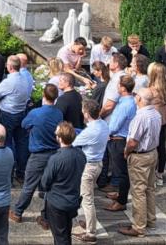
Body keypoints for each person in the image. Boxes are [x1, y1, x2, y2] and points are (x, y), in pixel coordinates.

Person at [11, 83, 62, 224]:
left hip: (38, 155)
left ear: (43, 96)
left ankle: (18, 212)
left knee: (29, 186)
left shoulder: (35, 113)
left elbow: (23, 124)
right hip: (54, 153)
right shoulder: (59, 113)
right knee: (49, 188)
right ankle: (45, 218)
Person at [120, 87, 161, 238]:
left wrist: (126, 151)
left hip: (140, 156)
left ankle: (138, 227)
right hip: (152, 153)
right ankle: (150, 220)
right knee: (149, 188)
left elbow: (133, 141)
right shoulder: (155, 113)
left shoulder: (141, 117)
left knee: (138, 191)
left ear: (139, 99)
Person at [71, 99, 108, 243]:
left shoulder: (90, 131)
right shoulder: (103, 124)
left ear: (86, 113)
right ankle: (87, 221)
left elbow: (73, 143)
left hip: (89, 166)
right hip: (98, 163)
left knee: (87, 200)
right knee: (87, 196)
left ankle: (91, 233)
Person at [0, 55, 33, 180]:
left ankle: (9, 175)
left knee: (8, 143)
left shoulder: (8, 82)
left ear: (9, 67)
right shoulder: (26, 79)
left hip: (8, 115)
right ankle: (21, 172)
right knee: (21, 143)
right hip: (22, 112)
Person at [103, 75, 136, 215]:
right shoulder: (128, 101)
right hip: (120, 138)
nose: (117, 87)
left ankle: (121, 201)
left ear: (122, 88)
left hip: (118, 140)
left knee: (122, 172)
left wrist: (104, 132)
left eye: (118, 85)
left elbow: (115, 126)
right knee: (120, 171)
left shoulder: (125, 105)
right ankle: (120, 194)